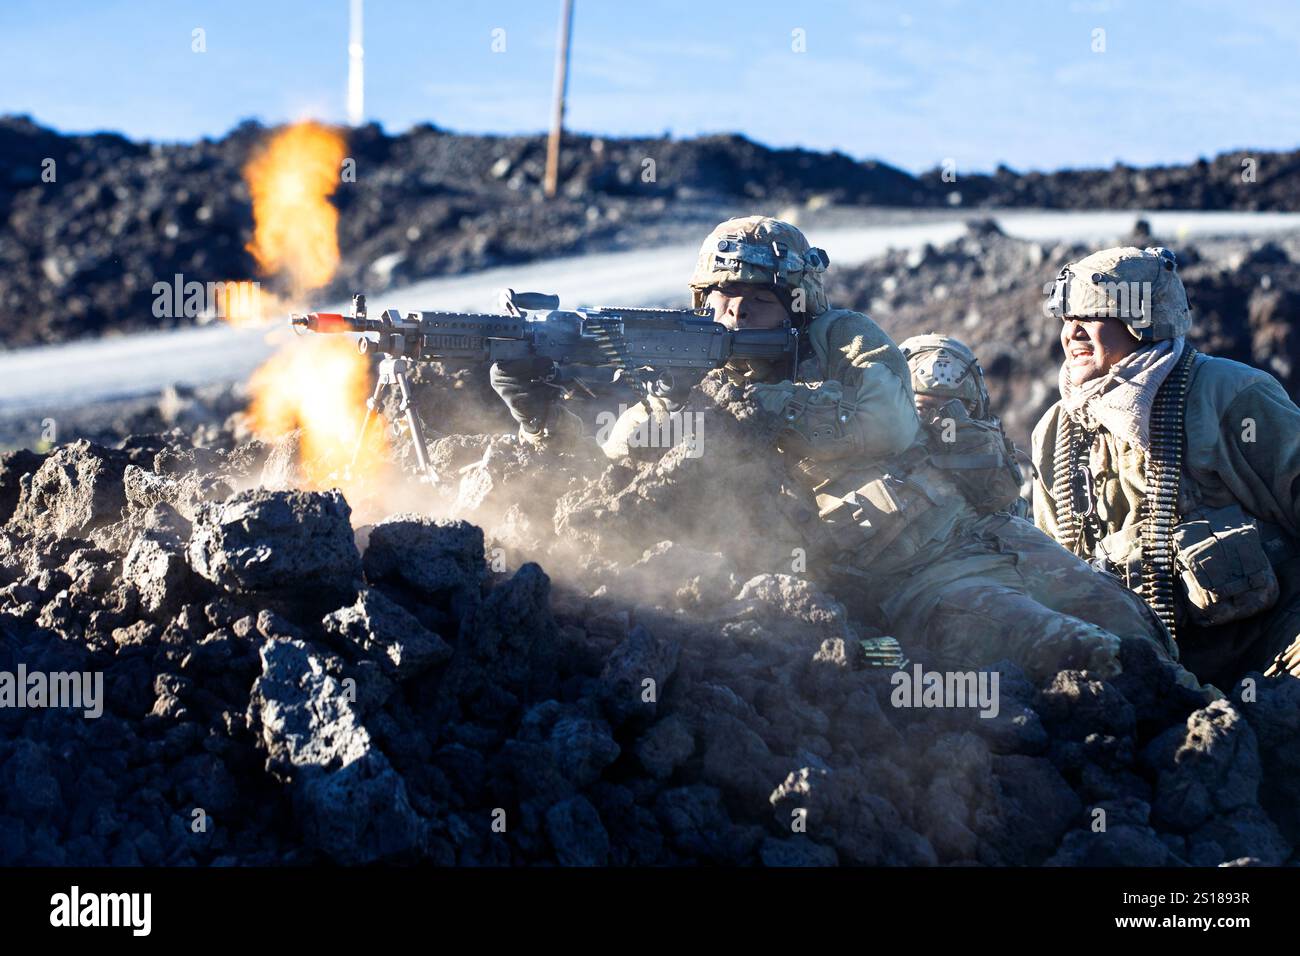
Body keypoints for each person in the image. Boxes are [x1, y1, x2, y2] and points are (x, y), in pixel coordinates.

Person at [492, 217, 1187, 685]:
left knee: (1137, 629)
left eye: (754, 302)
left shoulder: (838, 338)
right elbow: (613, 475)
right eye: (719, 300)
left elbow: (887, 421)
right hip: (911, 583)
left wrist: (758, 408)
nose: (732, 317)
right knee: (1071, 651)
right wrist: (541, 411)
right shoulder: (685, 380)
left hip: (977, 535)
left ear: (796, 305)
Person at [1031, 245, 1300, 686]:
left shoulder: (1229, 394)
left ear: (1144, 321)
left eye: (1092, 315)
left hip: (1273, 651)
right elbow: (1050, 568)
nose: (1072, 333)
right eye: (1066, 317)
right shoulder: (1057, 428)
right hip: (1146, 671)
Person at [899, 333, 1026, 517]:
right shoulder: (870, 457)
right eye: (924, 409)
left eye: (954, 410)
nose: (941, 423)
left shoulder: (990, 473)